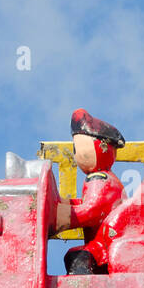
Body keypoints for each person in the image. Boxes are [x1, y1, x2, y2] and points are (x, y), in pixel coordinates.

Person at [56, 109, 126, 274]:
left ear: (102, 147)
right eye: (76, 150)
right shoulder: (101, 178)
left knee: (77, 257)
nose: (79, 155)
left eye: (83, 149)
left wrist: (61, 217)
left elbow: (93, 210)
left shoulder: (101, 179)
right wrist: (66, 204)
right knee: (76, 255)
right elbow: (86, 203)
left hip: (108, 244)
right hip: (103, 241)